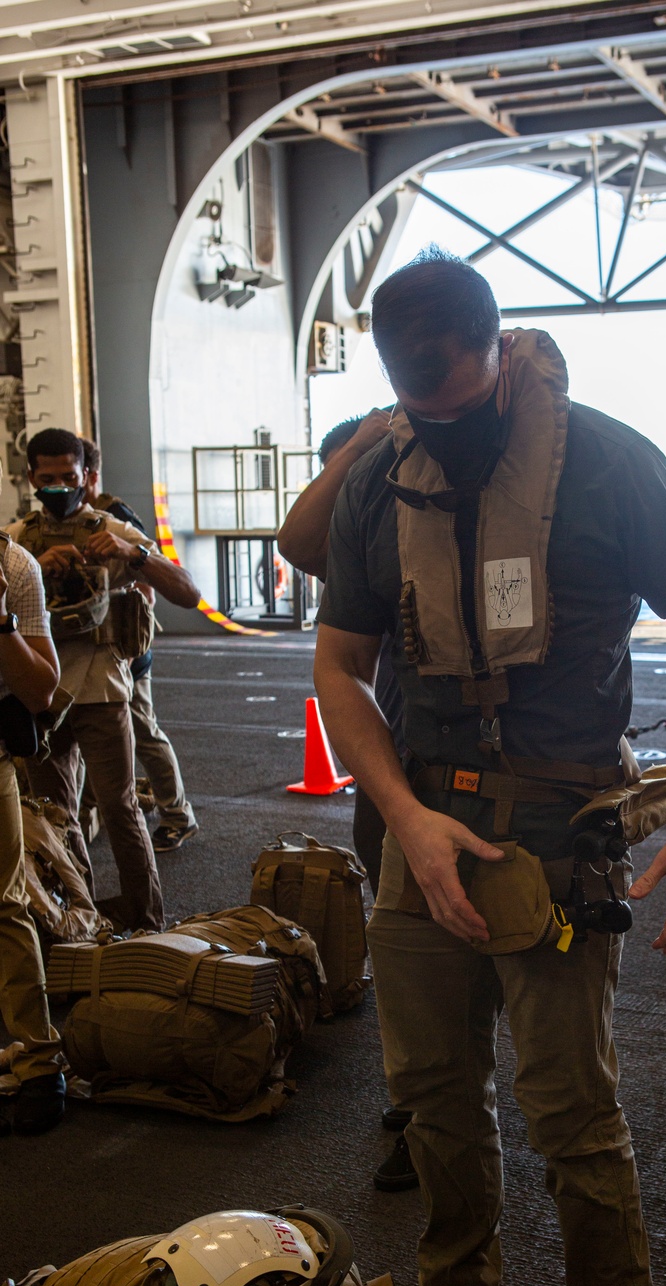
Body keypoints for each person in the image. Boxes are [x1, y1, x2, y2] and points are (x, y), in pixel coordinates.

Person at [312, 249, 666, 1286]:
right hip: (422, 834)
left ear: (500, 351)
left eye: (457, 405)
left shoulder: (609, 460)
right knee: (433, 1102)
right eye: (419, 408)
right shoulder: (380, 472)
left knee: (571, 1115)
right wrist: (401, 817)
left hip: (557, 837)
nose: (441, 430)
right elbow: (337, 669)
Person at [279, 408, 423, 1192]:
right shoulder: (364, 527)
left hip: (483, 768)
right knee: (402, 948)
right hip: (394, 775)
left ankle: (453, 1101)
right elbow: (298, 542)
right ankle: (418, 1110)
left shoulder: (420, 511)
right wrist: (357, 451)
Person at [9, 430, 199, 933]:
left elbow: (188, 593)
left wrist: (132, 554)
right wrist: (34, 571)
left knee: (120, 811)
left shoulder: (109, 528)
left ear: (86, 477)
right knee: (55, 817)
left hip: (101, 691)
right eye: (45, 479)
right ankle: (79, 920)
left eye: (67, 478)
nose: (57, 487)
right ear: (30, 478)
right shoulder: (18, 542)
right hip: (41, 700)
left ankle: (147, 922)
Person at [81, 439, 199, 853]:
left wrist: (131, 646)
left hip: (125, 650)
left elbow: (155, 581)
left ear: (89, 476)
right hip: (85, 654)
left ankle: (177, 815)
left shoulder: (116, 520)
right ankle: (89, 814)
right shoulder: (58, 525)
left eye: (71, 478)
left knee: (144, 732)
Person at [0, 519, 65, 1134]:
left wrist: (0, 621)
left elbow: (42, 690)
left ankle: (40, 1062)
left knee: (6, 905)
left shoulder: (15, 568)